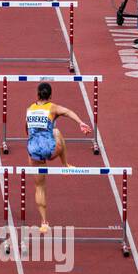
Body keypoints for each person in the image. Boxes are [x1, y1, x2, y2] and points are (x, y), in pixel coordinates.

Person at [24, 82, 92, 233]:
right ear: (50, 96)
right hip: (50, 150)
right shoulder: (52, 107)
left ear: (37, 95)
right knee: (57, 132)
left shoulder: (29, 109)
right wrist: (80, 123)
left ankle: (44, 222)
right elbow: (68, 112)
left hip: (33, 152)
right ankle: (65, 164)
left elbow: (26, 131)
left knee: (39, 187)